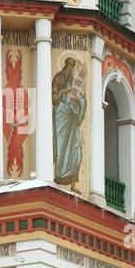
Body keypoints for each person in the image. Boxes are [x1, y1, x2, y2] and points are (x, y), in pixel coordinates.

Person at [51, 58, 86, 188]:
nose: (71, 68)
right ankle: (58, 178)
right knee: (61, 146)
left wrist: (79, 100)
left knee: (76, 149)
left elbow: (81, 98)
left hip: (71, 116)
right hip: (61, 115)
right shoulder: (58, 79)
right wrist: (62, 92)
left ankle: (72, 185)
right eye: (69, 66)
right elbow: (54, 97)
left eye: (73, 66)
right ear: (65, 66)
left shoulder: (72, 80)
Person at [2, 48, 29, 178]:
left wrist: (19, 116)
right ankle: (14, 158)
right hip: (10, 120)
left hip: (20, 122)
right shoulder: (7, 91)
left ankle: (16, 159)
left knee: (16, 142)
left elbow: (25, 107)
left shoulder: (21, 92)